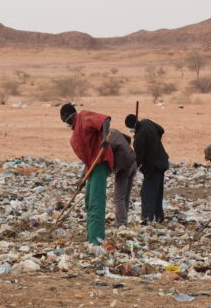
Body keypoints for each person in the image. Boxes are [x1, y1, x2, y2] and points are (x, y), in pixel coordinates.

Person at [61, 103, 113, 245]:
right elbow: (87, 160)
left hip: (100, 163)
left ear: (66, 116)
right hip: (91, 168)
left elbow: (105, 120)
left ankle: (96, 239)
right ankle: (91, 235)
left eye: (63, 118)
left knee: (96, 201)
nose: (65, 122)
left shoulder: (84, 117)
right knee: (88, 201)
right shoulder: (74, 137)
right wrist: (81, 180)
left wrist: (105, 137)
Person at [125, 114, 169, 223]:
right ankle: (159, 216)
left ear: (131, 127)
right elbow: (161, 130)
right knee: (158, 191)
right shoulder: (147, 122)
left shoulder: (139, 138)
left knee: (146, 192)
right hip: (162, 161)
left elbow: (139, 159)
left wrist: (131, 169)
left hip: (152, 166)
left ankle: (147, 217)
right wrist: (155, 143)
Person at [108, 129, 137, 227]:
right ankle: (124, 220)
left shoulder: (105, 139)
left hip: (123, 167)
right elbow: (128, 138)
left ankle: (121, 223)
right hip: (132, 161)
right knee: (125, 196)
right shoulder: (114, 131)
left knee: (118, 198)